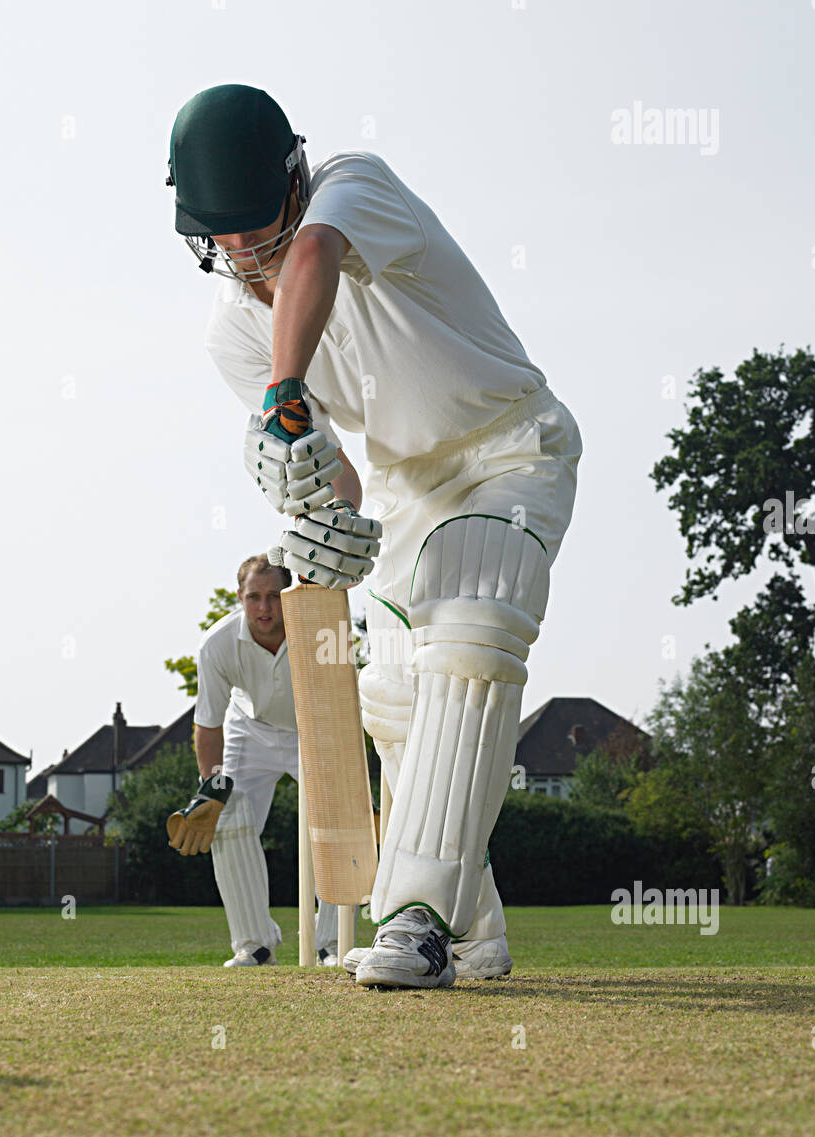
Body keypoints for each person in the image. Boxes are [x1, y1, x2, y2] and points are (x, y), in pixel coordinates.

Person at [167, 84, 582, 989]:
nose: (246, 253)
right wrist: (320, 514)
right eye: (222, 238)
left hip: (506, 447)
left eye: (256, 225)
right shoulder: (229, 331)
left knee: (470, 630)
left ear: (291, 179)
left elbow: (314, 251)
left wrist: (283, 394)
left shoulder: (351, 186)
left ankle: (414, 921)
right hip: (401, 490)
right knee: (394, 706)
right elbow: (336, 471)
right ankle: (475, 936)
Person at [168, 554, 343, 966]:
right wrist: (212, 788)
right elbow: (208, 726)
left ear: (289, 595)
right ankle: (256, 946)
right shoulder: (217, 644)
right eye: (254, 597)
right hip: (251, 729)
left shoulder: (320, 629)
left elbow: (341, 700)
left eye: (273, 596)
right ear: (239, 598)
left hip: (313, 728)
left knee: (336, 819)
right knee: (226, 817)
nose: (264, 608)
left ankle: (332, 944)